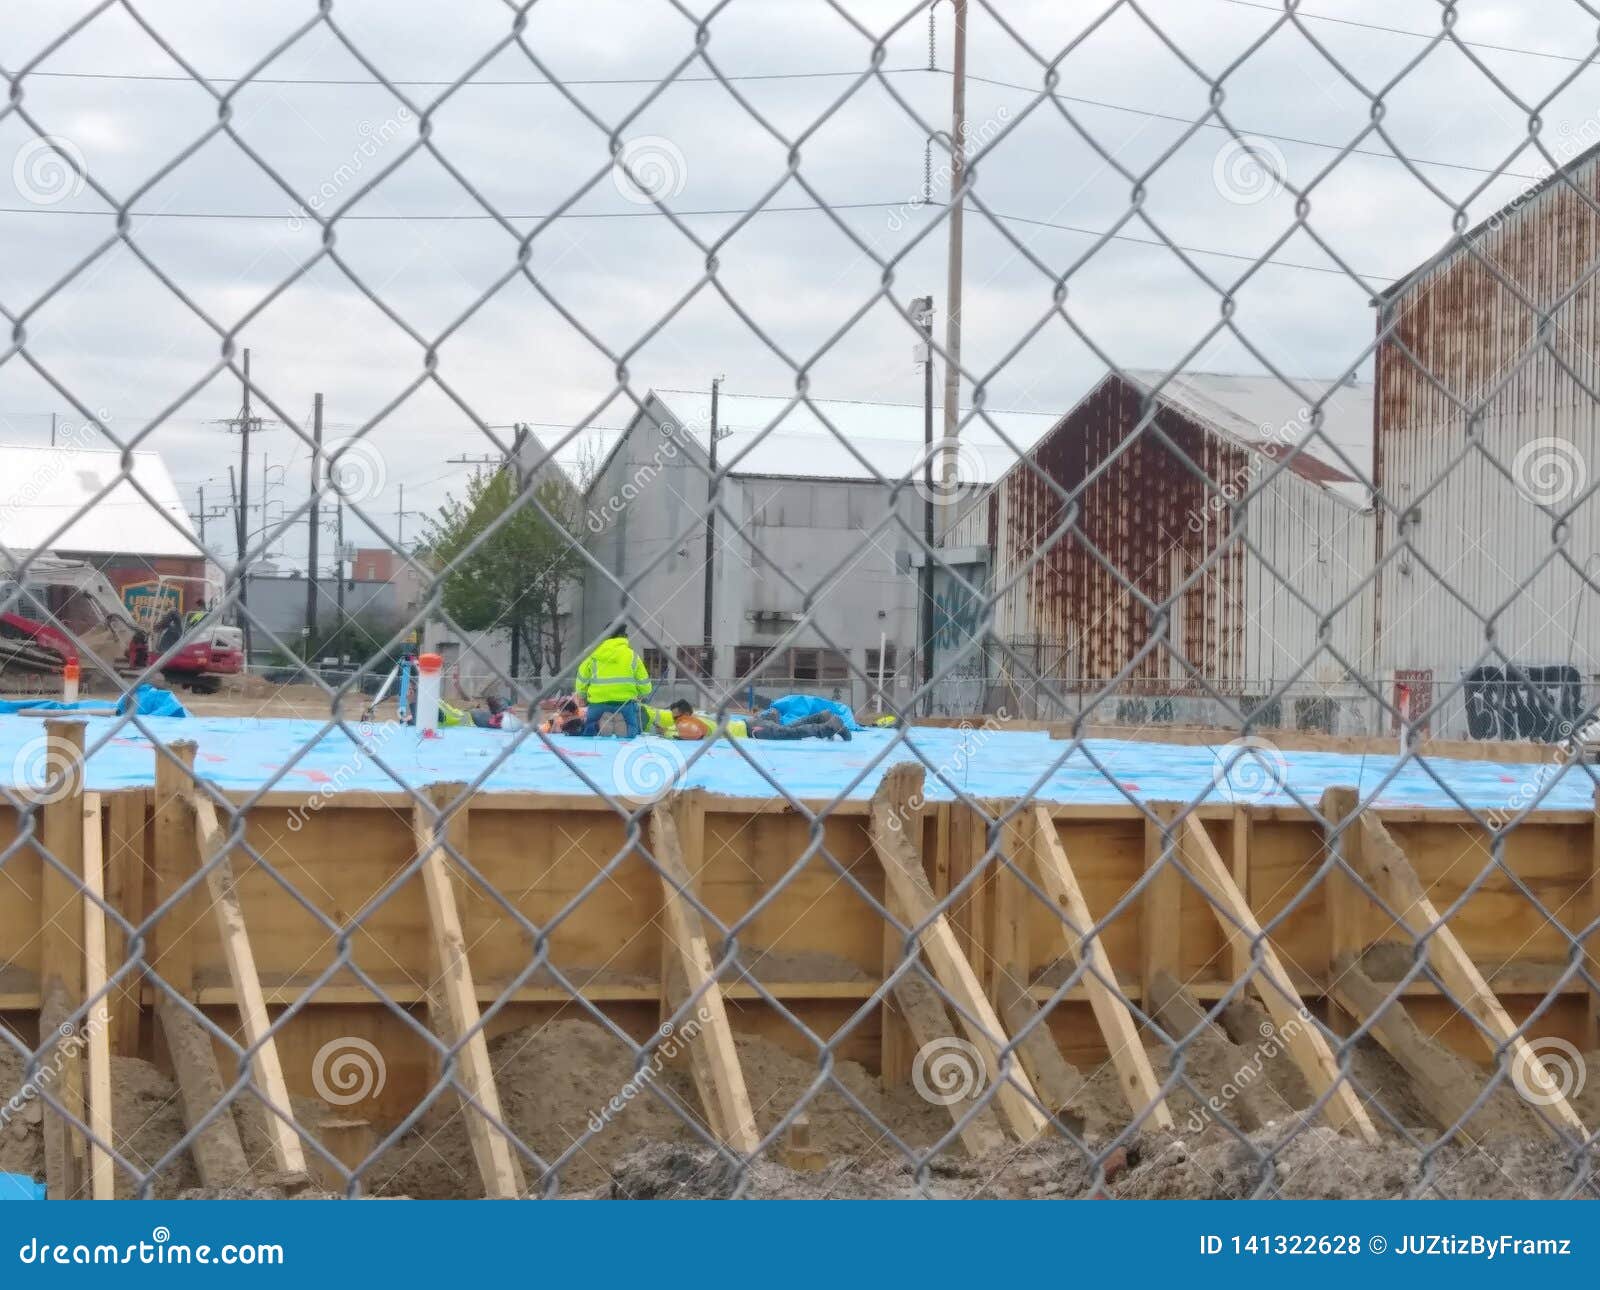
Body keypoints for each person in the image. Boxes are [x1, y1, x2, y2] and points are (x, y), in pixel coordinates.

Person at [574, 624, 652, 737]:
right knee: (632, 730)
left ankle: (598, 726)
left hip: (598, 704)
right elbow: (645, 686)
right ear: (624, 636)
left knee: (589, 731)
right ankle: (624, 728)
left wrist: (582, 694)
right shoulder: (632, 656)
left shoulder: (594, 654)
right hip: (624, 704)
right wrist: (641, 694)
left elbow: (581, 677)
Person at [668, 700, 849, 741]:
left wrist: (677, 734)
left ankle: (829, 726)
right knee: (788, 729)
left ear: (685, 715)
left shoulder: (693, 722)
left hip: (753, 730)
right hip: (755, 724)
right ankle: (822, 717)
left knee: (791, 733)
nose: (676, 722)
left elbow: (694, 731)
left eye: (677, 718)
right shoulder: (700, 715)